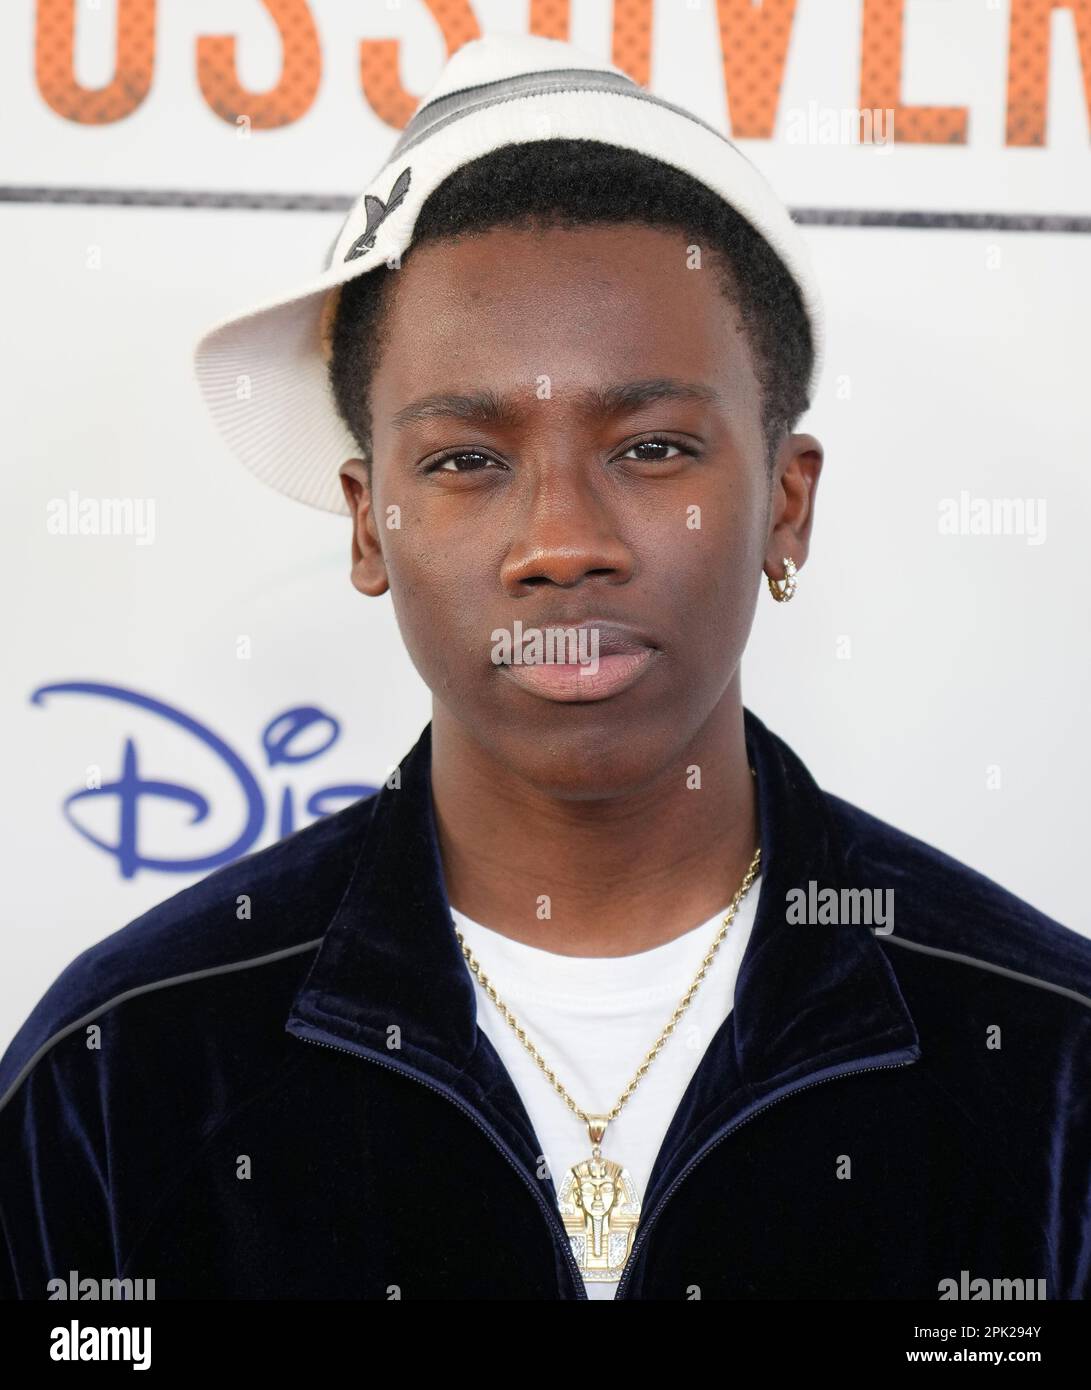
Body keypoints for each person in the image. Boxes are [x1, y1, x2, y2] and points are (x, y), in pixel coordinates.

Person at [2, 33, 1089, 1302]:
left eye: (652, 448)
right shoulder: (122, 1071)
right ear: (368, 523)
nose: (562, 544)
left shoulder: (1044, 1056)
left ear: (786, 505)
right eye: (466, 459)